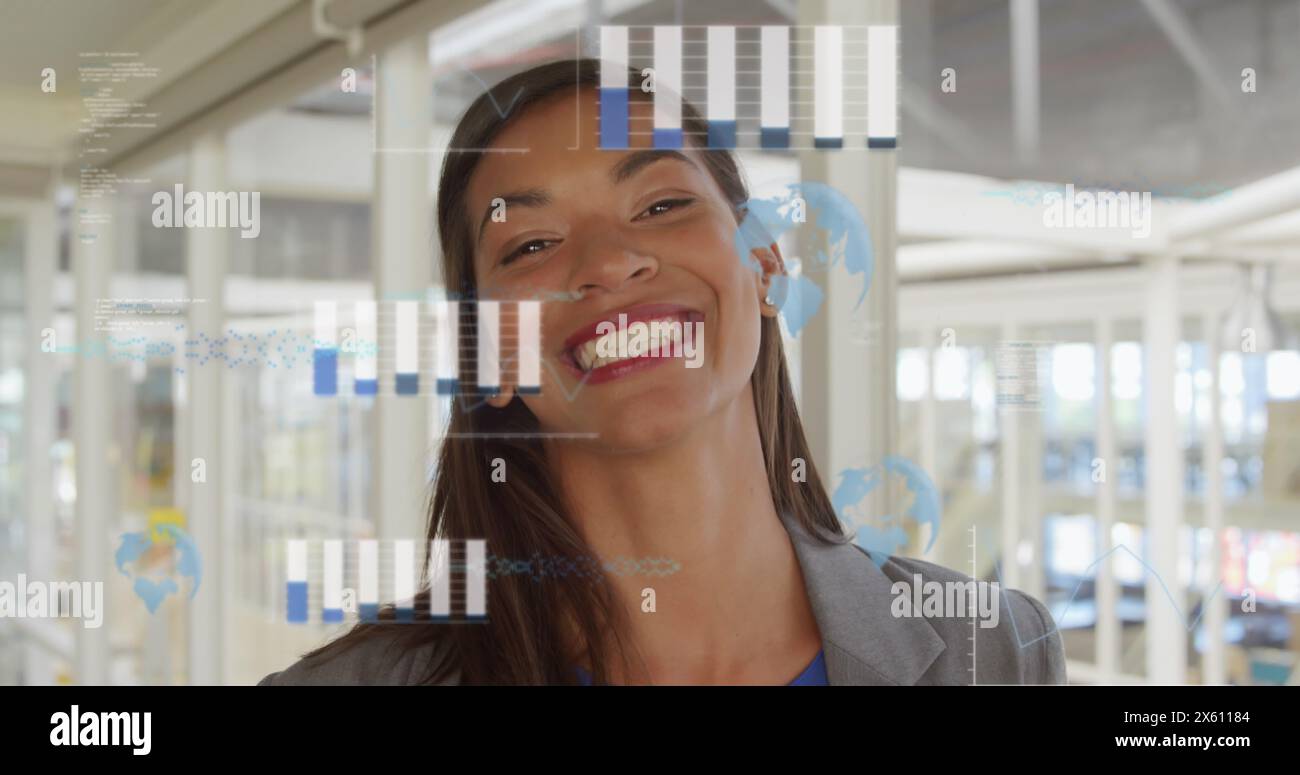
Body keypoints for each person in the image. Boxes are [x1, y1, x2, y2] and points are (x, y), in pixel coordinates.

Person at [259, 59, 1065, 686]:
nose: (608, 263)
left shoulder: (994, 651)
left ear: (764, 266)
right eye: (531, 245)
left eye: (660, 205)